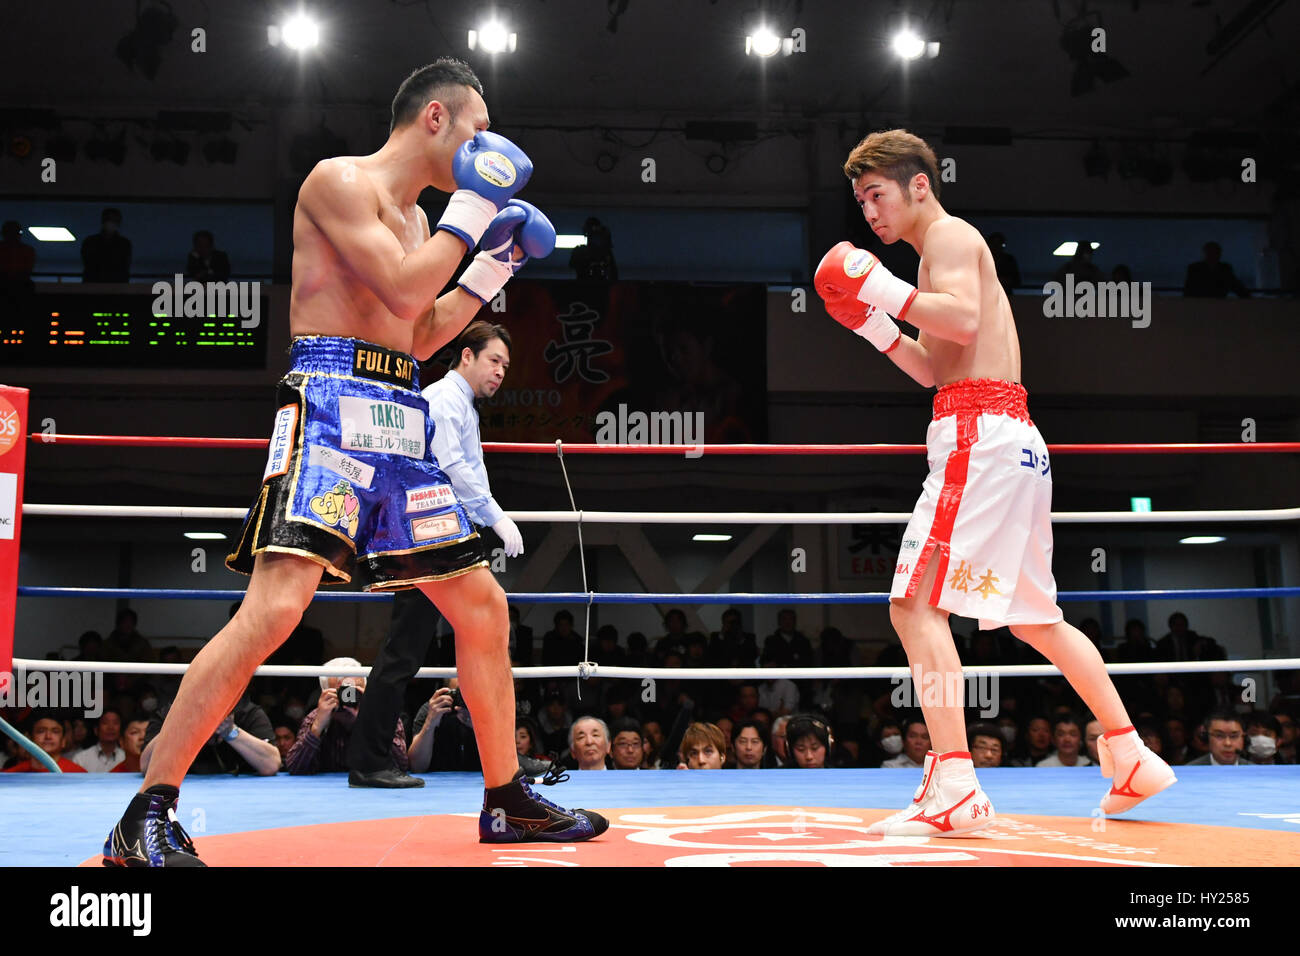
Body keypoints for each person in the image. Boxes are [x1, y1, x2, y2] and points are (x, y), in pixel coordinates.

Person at [102, 58, 605, 867]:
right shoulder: (339, 182)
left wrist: (493, 264)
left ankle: (507, 800)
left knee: (481, 608)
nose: (487, 149)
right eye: (478, 131)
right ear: (436, 120)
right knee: (274, 611)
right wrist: (475, 213)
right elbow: (405, 292)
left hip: (399, 411)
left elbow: (421, 330)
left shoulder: (417, 225)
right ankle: (147, 812)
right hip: (331, 401)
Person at [815, 129, 1174, 836]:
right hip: (1008, 437)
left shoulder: (947, 237)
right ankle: (1131, 754)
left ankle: (954, 777)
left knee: (914, 607)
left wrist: (879, 288)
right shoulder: (936, 259)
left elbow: (966, 317)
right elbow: (933, 365)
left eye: (877, 195)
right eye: (860, 203)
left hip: (980, 434)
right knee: (1034, 618)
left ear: (920, 184)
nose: (869, 214)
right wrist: (871, 322)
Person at [348, 320, 521, 788]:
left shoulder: (461, 403)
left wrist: (487, 517)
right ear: (467, 356)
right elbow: (449, 465)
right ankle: (368, 761)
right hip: (427, 533)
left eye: (506, 365)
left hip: (441, 532)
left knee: (473, 640)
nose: (501, 371)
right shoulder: (445, 400)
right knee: (409, 648)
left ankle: (503, 764)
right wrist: (495, 514)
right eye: (494, 360)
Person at [3, 712, 87, 773]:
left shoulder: (77, 773)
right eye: (41, 731)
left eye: (55, 731)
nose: (48, 736)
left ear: (63, 741)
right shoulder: (12, 774)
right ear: (30, 739)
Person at [81, 207, 132, 282]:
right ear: (103, 221)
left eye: (114, 220)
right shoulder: (90, 241)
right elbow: (89, 263)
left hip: (117, 286)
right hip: (93, 284)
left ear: (118, 223)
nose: (111, 222)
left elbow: (124, 265)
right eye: (108, 219)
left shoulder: (124, 244)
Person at [1183, 241, 1250, 298]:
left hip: (1217, 305)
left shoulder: (1225, 269)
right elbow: (1189, 288)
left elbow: (1236, 286)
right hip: (1202, 304)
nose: (1213, 255)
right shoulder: (1195, 268)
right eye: (1211, 252)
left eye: (1215, 252)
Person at [1185, 712, 1249, 766]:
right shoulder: (1188, 771)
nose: (1227, 743)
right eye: (1219, 736)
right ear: (1207, 738)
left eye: (1234, 736)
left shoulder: (1255, 771)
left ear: (1244, 739)